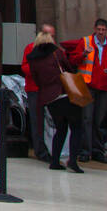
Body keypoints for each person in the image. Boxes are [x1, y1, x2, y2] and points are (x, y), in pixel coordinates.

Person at [25, 31, 84, 173]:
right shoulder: (55, 53)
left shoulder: (32, 58)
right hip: (63, 94)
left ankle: (55, 161)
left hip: (49, 99)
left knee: (60, 128)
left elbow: (36, 78)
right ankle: (73, 161)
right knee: (76, 127)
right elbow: (68, 68)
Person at [72, 18, 107, 163]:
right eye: (98, 30)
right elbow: (74, 60)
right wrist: (83, 54)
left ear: (106, 30)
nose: (101, 32)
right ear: (95, 29)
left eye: (103, 30)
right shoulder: (85, 42)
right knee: (87, 118)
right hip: (88, 85)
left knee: (99, 120)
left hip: (104, 86)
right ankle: (85, 151)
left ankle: (98, 150)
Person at [21, 22, 58, 161]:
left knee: (52, 122)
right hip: (35, 90)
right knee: (37, 121)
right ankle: (40, 151)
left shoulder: (55, 50)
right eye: (49, 35)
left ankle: (53, 149)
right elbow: (25, 67)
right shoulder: (30, 48)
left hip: (50, 90)